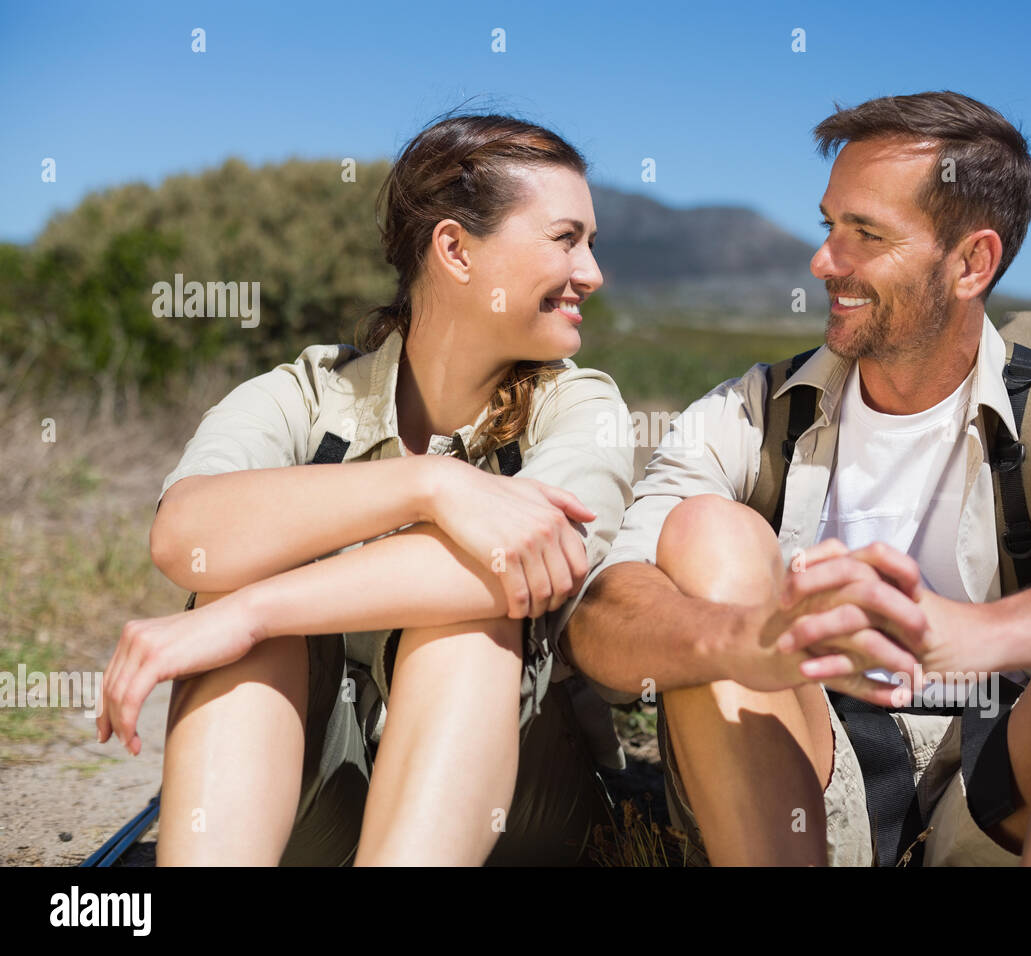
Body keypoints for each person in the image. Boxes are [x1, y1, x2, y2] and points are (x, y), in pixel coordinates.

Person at [563, 91, 1031, 866]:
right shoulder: (748, 412)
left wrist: (971, 635)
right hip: (798, 786)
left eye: (865, 233)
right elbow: (601, 620)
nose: (823, 260)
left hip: (998, 793)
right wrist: (754, 642)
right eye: (827, 225)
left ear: (973, 262)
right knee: (708, 531)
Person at [96, 113, 634, 866]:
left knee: (469, 619)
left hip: (522, 807)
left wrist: (256, 610)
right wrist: (428, 482)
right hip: (324, 807)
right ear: (454, 249)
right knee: (229, 588)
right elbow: (186, 534)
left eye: (590, 243)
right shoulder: (307, 392)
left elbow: (529, 559)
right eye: (565, 239)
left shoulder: (581, 407)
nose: (591, 273)